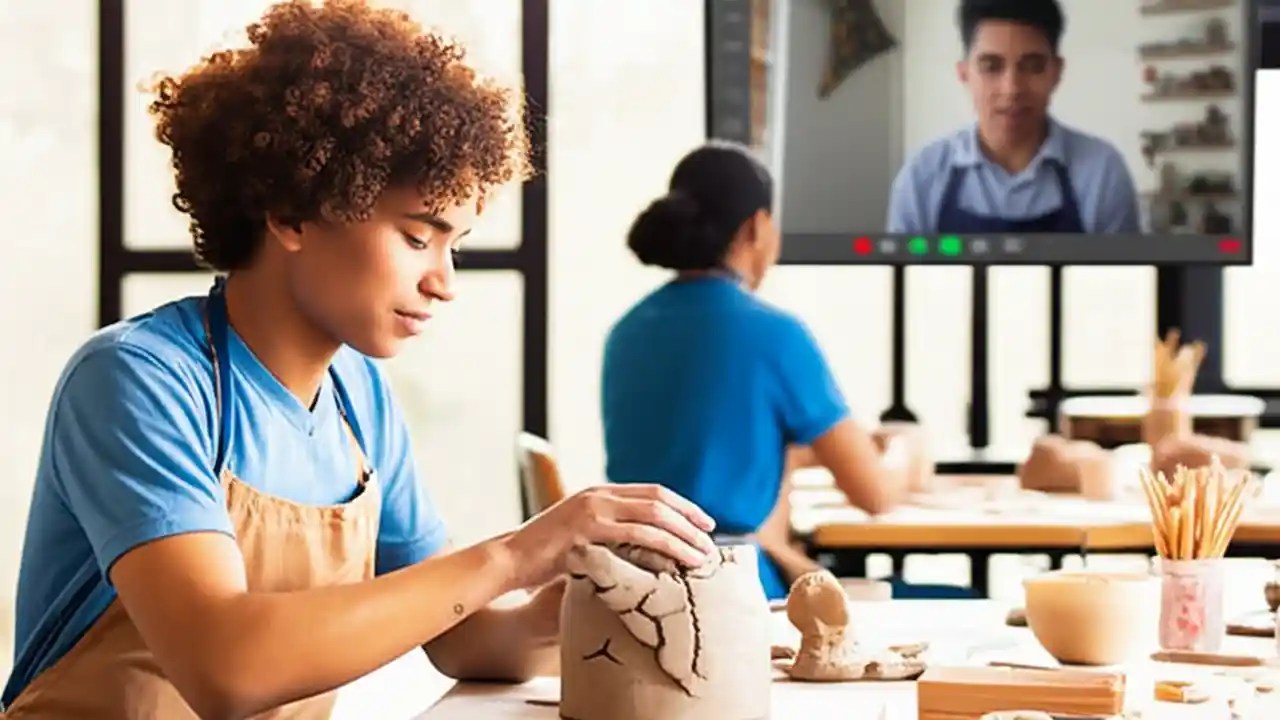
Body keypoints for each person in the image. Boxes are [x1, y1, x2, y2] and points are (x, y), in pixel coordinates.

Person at [0, 3, 719, 718]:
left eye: (455, 246)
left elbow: (463, 640)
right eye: (417, 237)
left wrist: (574, 599)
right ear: (291, 212)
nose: (444, 282)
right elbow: (225, 665)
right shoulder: (139, 381)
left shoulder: (357, 398)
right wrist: (518, 553)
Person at [599, 141, 912, 601]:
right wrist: (907, 449)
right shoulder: (773, 335)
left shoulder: (627, 330)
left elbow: (697, 449)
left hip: (633, 591)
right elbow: (875, 494)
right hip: (733, 594)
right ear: (757, 228)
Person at [886, 0, 1141, 236]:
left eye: (1031, 66)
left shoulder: (1101, 172)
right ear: (964, 74)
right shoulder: (922, 177)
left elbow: (1120, 283)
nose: (1012, 89)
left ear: (1056, 72)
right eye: (991, 66)